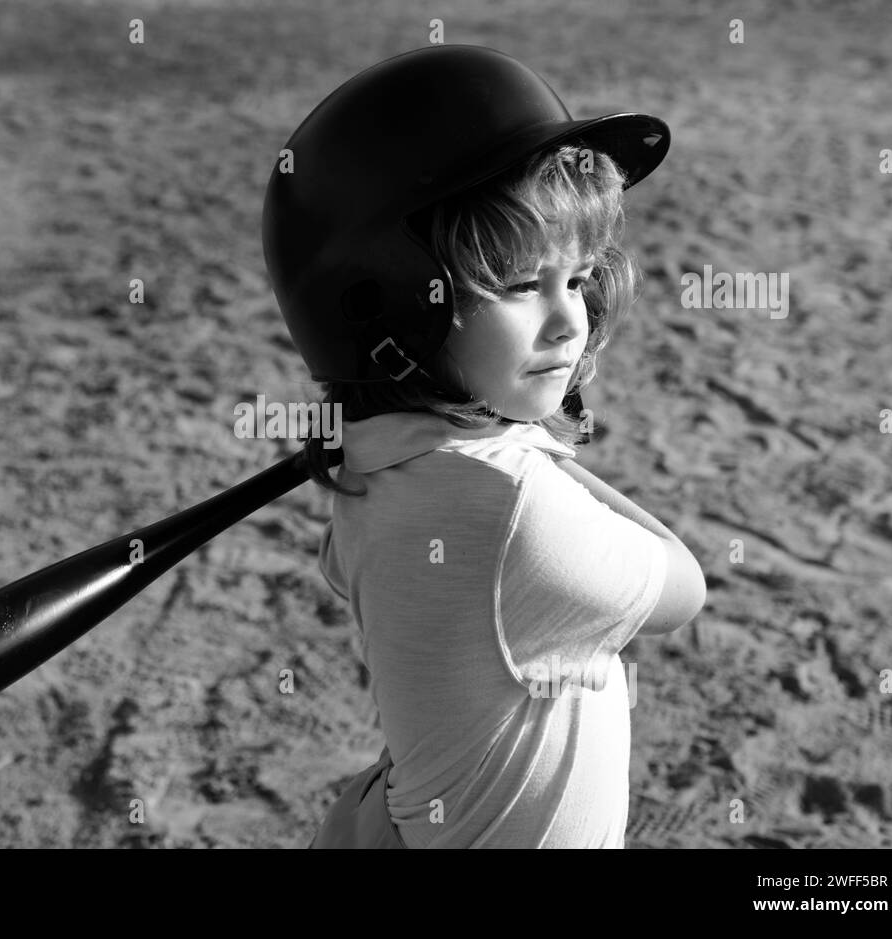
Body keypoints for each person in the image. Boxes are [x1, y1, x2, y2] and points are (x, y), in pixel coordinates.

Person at [262, 46, 707, 848]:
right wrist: (533, 436)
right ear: (389, 311)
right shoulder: (516, 506)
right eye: (515, 285)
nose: (571, 319)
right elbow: (683, 586)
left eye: (576, 278)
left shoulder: (374, 473)